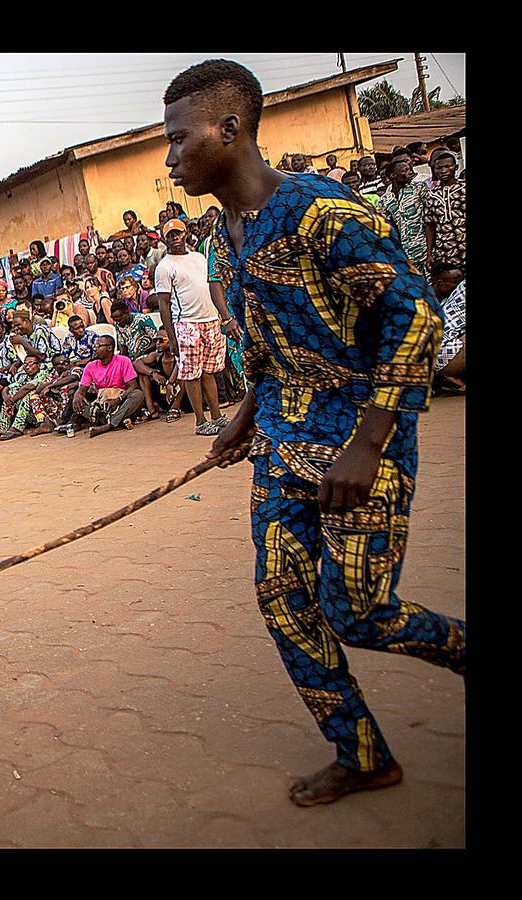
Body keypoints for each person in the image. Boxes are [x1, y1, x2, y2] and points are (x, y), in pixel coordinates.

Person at [164, 58, 464, 806]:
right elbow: (263, 344)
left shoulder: (322, 210)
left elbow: (415, 319)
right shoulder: (224, 236)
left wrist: (368, 443)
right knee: (283, 599)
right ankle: (361, 754)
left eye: (178, 140)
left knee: (357, 611)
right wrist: (241, 416)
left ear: (229, 131)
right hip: (279, 438)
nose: (169, 158)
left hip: (361, 441)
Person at [151, 217, 236, 434]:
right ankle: (200, 421)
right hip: (186, 324)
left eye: (178, 233)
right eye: (170, 235)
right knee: (191, 375)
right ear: (165, 239)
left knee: (209, 371)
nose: (175, 238)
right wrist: (170, 336)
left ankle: (216, 416)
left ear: (186, 233)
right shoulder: (164, 267)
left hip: (209, 320)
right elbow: (164, 304)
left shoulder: (199, 257)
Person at [68, 335, 145, 438]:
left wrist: (118, 399)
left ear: (109, 348)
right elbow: (82, 390)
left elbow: (133, 386)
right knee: (76, 398)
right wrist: (78, 394)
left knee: (138, 395)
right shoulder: (90, 366)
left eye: (99, 346)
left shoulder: (123, 361)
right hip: (102, 406)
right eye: (94, 346)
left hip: (120, 402)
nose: (95, 349)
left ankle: (107, 426)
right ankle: (117, 420)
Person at [378, 155, 429, 269]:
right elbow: (386, 227)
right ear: (393, 175)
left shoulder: (419, 188)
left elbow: (430, 216)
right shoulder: (385, 200)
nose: (410, 172)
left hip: (426, 248)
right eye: (405, 170)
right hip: (405, 252)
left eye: (409, 169)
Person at [0, 349, 52, 440]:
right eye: (25, 364)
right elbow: (8, 387)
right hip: (28, 416)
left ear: (39, 365)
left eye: (31, 364)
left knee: (28, 394)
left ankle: (17, 428)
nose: (27, 367)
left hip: (41, 414)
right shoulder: (24, 376)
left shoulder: (43, 374)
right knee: (11, 393)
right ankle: (1, 427)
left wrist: (12, 401)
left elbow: (28, 387)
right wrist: (6, 396)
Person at [422, 151, 466, 270]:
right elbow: (430, 226)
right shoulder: (431, 195)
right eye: (439, 168)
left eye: (447, 166)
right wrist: (429, 254)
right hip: (445, 251)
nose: (443, 170)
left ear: (456, 167)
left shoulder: (464, 188)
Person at [430, 263, 466, 393]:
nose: (457, 286)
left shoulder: (446, 300)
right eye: (456, 282)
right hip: (444, 357)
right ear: (440, 283)